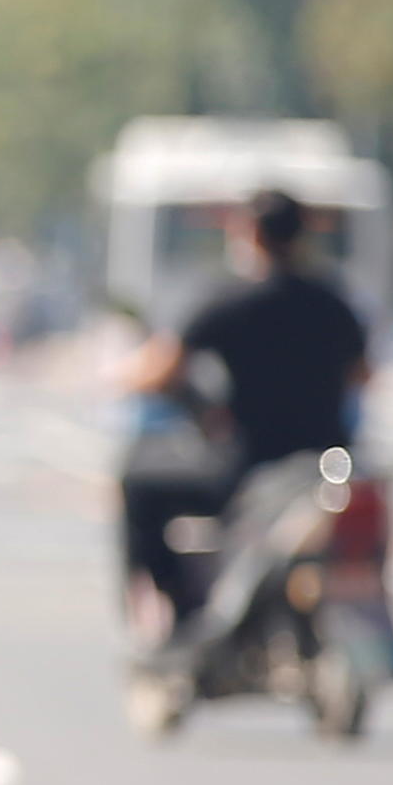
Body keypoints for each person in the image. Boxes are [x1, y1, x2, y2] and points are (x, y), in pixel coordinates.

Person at [118, 189, 372, 642]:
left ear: (248, 233)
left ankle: (171, 614)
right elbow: (364, 376)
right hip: (326, 466)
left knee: (139, 479)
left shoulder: (227, 301)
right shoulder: (334, 302)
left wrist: (121, 374)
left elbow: (160, 371)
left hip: (248, 467)